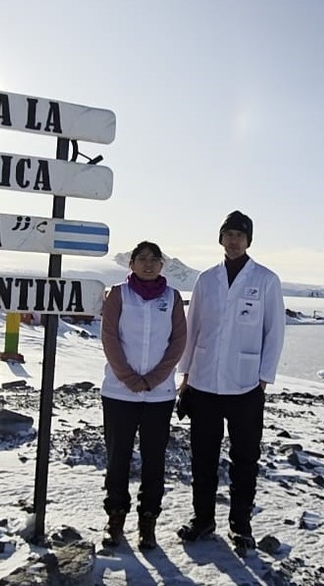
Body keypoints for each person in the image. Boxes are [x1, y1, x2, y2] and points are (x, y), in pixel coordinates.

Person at [175, 210, 286, 552]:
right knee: (203, 457)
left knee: (245, 460)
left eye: (240, 235)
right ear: (221, 238)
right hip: (204, 382)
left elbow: (275, 331)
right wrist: (186, 375)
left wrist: (263, 378)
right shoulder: (206, 279)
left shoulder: (266, 280)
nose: (234, 240)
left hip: (245, 385)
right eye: (229, 234)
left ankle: (241, 525)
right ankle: (203, 519)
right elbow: (193, 327)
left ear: (248, 240)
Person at [99, 241, 187, 550]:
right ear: (132, 263)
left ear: (162, 265)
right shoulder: (118, 295)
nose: (148, 264)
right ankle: (115, 517)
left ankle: (148, 520)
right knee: (117, 457)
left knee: (154, 459)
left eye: (154, 259)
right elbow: (109, 336)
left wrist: (153, 379)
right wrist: (127, 377)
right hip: (118, 393)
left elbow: (178, 341)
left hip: (159, 395)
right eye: (142, 259)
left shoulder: (172, 298)